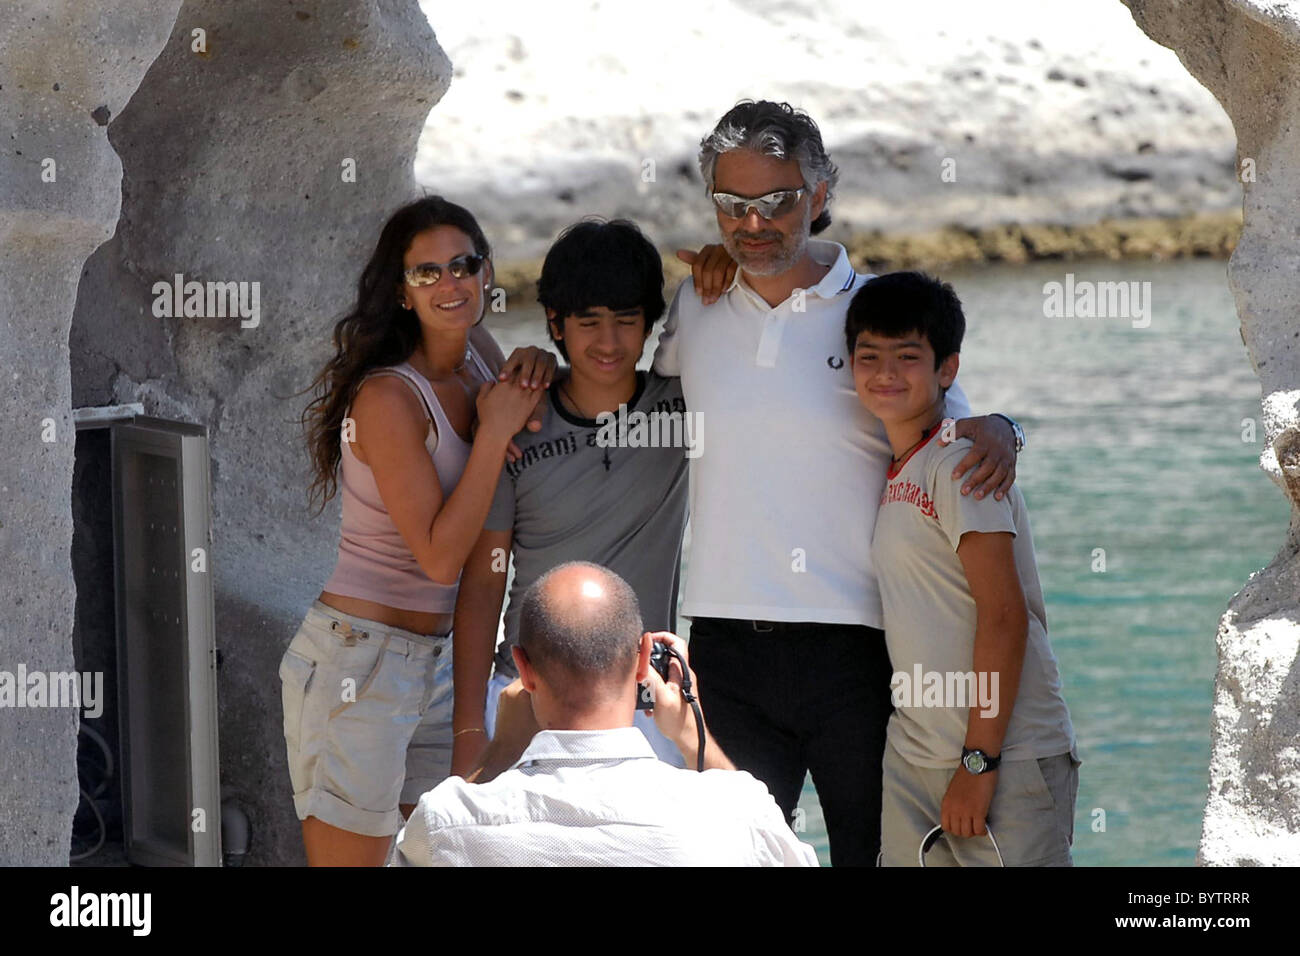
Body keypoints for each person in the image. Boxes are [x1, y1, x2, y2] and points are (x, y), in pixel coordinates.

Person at [652, 100, 1026, 866]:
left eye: (777, 201)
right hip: (723, 645)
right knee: (730, 857)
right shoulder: (697, 302)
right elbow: (612, 400)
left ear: (820, 194)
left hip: (861, 652)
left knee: (871, 858)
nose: (753, 224)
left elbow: (956, 430)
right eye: (733, 205)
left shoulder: (878, 315)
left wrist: (1010, 427)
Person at [284, 195, 555, 866]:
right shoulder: (387, 398)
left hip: (440, 662)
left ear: (487, 273)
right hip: (361, 661)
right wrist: (492, 434)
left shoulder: (477, 356)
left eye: (462, 265)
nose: (449, 284)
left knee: (440, 857)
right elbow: (438, 558)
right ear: (400, 293)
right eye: (425, 273)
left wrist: (538, 368)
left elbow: (525, 415)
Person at [845, 271, 1078, 866]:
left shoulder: (961, 465)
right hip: (915, 757)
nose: (885, 373)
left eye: (907, 357)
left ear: (947, 369)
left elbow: (1004, 617)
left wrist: (980, 762)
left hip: (1005, 757)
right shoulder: (903, 466)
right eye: (868, 356)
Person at [451, 218, 693, 775]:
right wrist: (468, 726)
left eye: (626, 321)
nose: (608, 342)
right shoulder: (517, 422)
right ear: (556, 323)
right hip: (525, 698)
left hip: (641, 703)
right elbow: (485, 583)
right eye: (588, 322)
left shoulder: (682, 411)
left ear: (650, 325)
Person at [393, 562, 819, 866]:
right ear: (642, 661)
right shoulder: (735, 814)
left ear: (524, 669)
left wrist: (500, 750)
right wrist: (691, 735)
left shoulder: (446, 822)